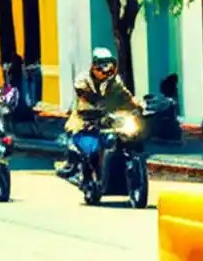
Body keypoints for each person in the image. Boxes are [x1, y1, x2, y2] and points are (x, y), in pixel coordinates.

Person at [55, 47, 141, 181]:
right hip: (85, 121)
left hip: (109, 121)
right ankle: (82, 171)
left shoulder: (115, 82)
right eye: (101, 65)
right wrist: (95, 108)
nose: (106, 69)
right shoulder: (83, 80)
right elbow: (84, 95)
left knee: (126, 139)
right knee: (92, 150)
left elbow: (126, 97)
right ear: (94, 66)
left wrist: (140, 107)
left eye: (109, 65)